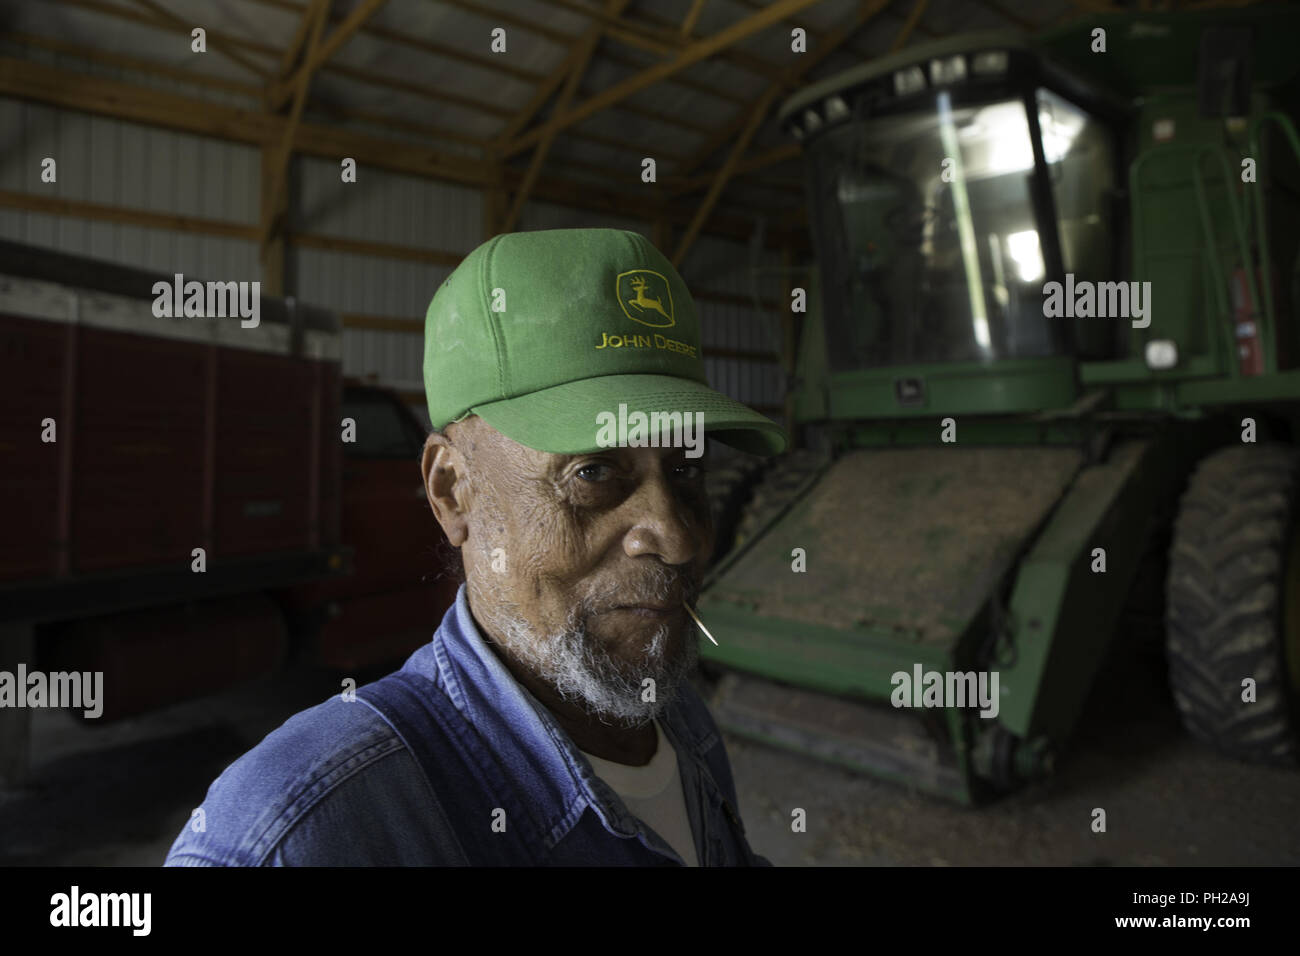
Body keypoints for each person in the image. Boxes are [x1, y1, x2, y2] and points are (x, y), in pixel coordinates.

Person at [163, 227, 786, 866]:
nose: (678, 538)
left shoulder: (680, 721)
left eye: (686, 469)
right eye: (594, 472)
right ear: (453, 491)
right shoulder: (303, 833)